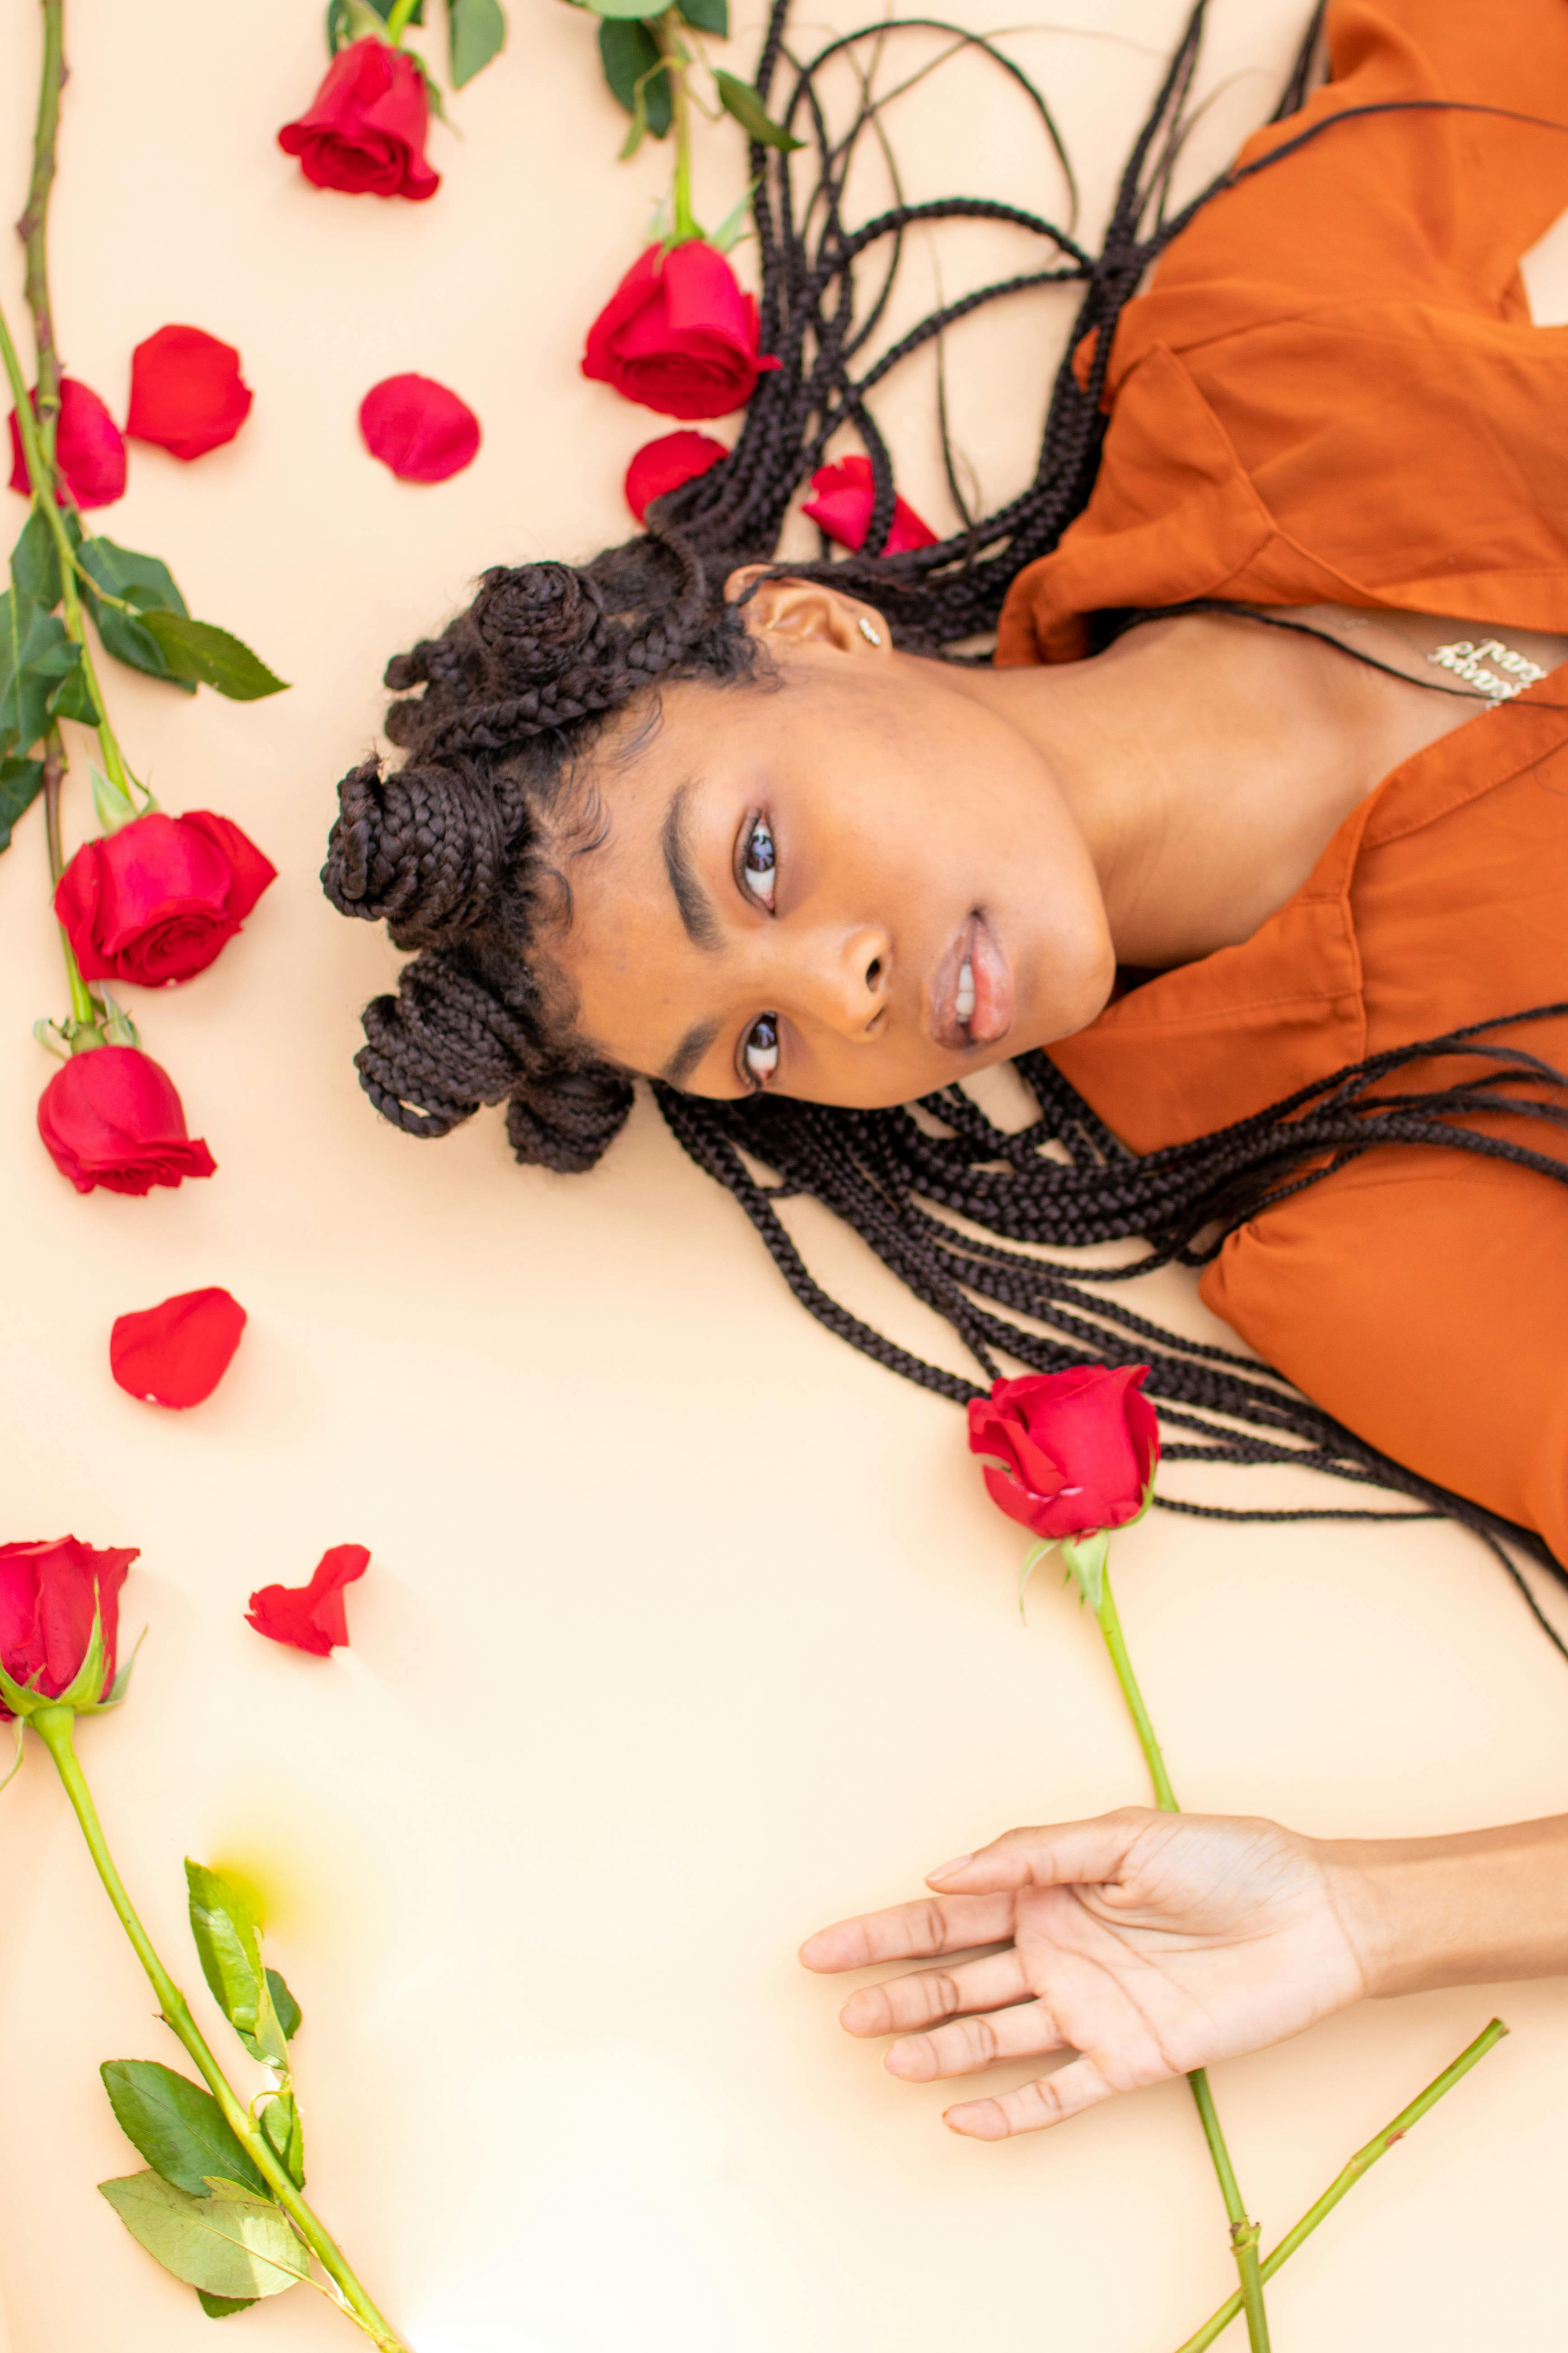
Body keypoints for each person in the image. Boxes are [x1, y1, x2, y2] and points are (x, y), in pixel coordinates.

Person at [321, 0, 1568, 2134]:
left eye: (767, 861)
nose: (854, 984)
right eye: (767, 1041)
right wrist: (1370, 1916)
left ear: (812, 630)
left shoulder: (1256, 358)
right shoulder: (1365, 1221)